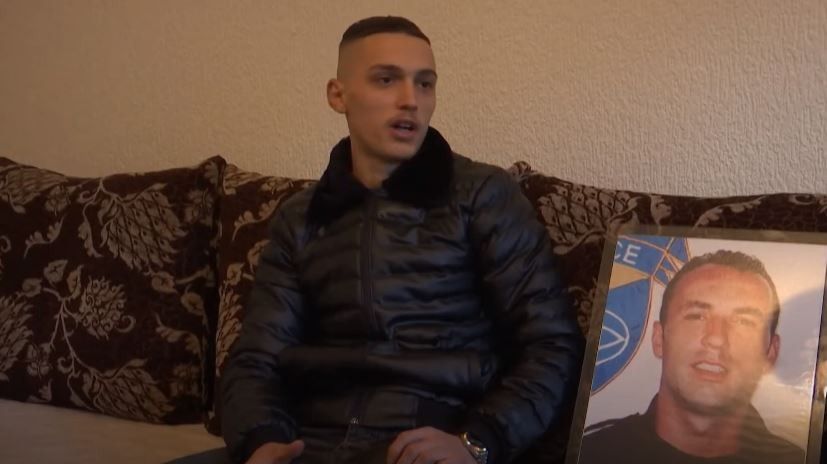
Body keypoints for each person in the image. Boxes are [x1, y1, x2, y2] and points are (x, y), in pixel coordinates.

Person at [219, 15, 583, 464]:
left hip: (425, 444)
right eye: (386, 80)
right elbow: (256, 358)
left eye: (425, 84)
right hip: (309, 441)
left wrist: (476, 442)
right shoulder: (300, 217)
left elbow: (552, 344)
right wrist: (261, 442)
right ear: (338, 95)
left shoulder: (483, 195)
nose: (411, 100)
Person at [579, 250, 806, 464]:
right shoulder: (592, 453)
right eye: (696, 316)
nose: (716, 339)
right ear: (659, 339)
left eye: (744, 322)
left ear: (770, 353)